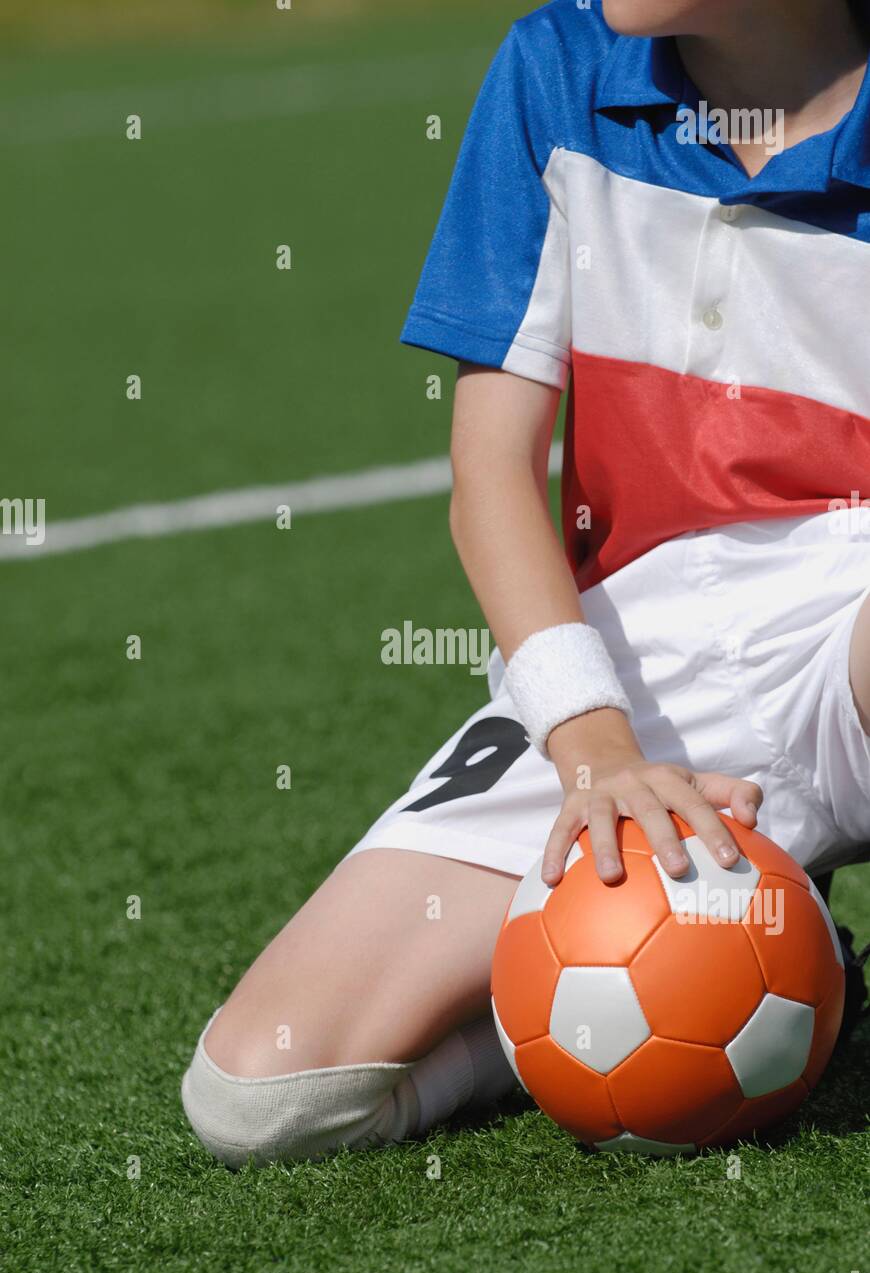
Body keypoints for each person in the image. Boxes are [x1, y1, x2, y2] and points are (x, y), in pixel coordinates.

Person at [182, 0, 870, 1167]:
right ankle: (795, 953)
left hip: (848, 610)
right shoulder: (555, 68)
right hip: (636, 655)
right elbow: (491, 471)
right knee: (261, 1096)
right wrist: (592, 742)